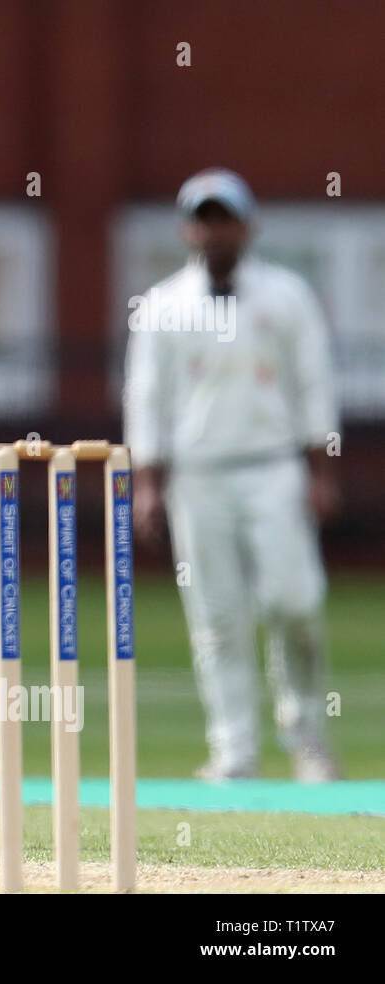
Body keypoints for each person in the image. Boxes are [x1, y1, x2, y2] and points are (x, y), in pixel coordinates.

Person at [123, 167, 341, 783]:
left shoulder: (287, 295)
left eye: (226, 218)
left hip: (274, 468)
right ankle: (234, 751)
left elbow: (314, 387)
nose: (215, 230)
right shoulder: (161, 305)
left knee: (295, 602)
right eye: (204, 218)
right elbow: (146, 399)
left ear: (249, 225)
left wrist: (321, 471)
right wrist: (148, 485)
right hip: (198, 476)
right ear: (188, 229)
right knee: (217, 617)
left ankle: (308, 739)